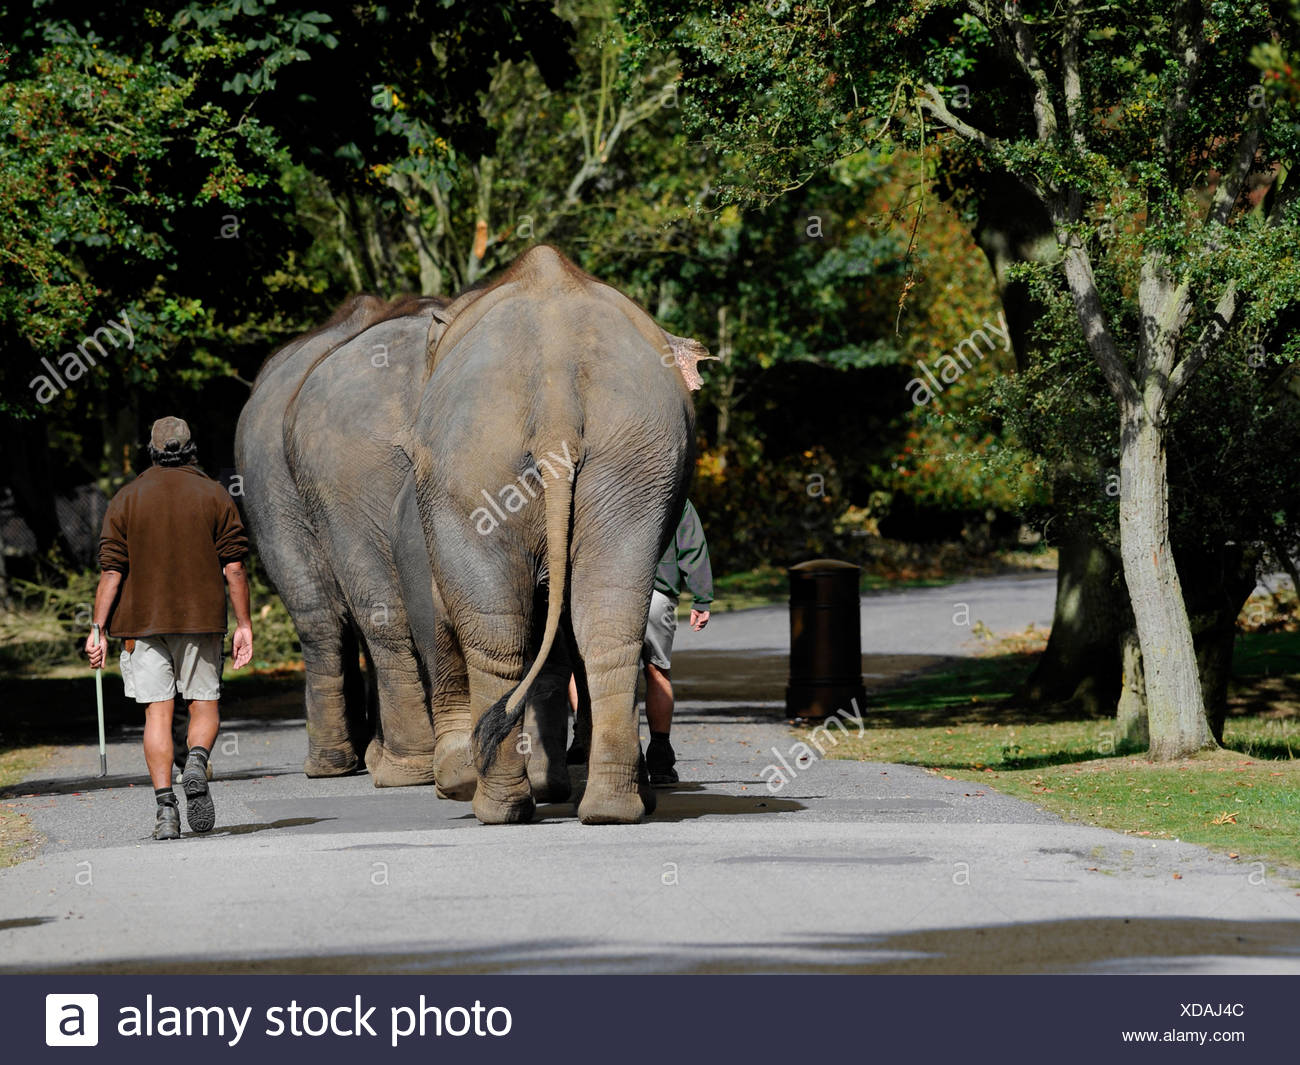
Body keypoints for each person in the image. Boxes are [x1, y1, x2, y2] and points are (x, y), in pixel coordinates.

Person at [85, 417, 253, 840]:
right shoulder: (215, 494)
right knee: (203, 702)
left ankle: (165, 812)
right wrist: (244, 625)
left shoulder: (126, 498)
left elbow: (111, 571)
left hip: (140, 625)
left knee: (156, 713)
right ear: (191, 447)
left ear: (151, 448)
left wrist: (97, 629)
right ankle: (196, 760)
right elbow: (234, 566)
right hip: (200, 620)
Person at [642, 498, 713, 786]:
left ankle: (587, 745)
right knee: (656, 671)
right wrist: (701, 597)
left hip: (604, 594)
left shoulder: (598, 480)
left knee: (584, 672)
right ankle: (659, 759)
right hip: (657, 594)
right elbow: (692, 545)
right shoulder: (669, 489)